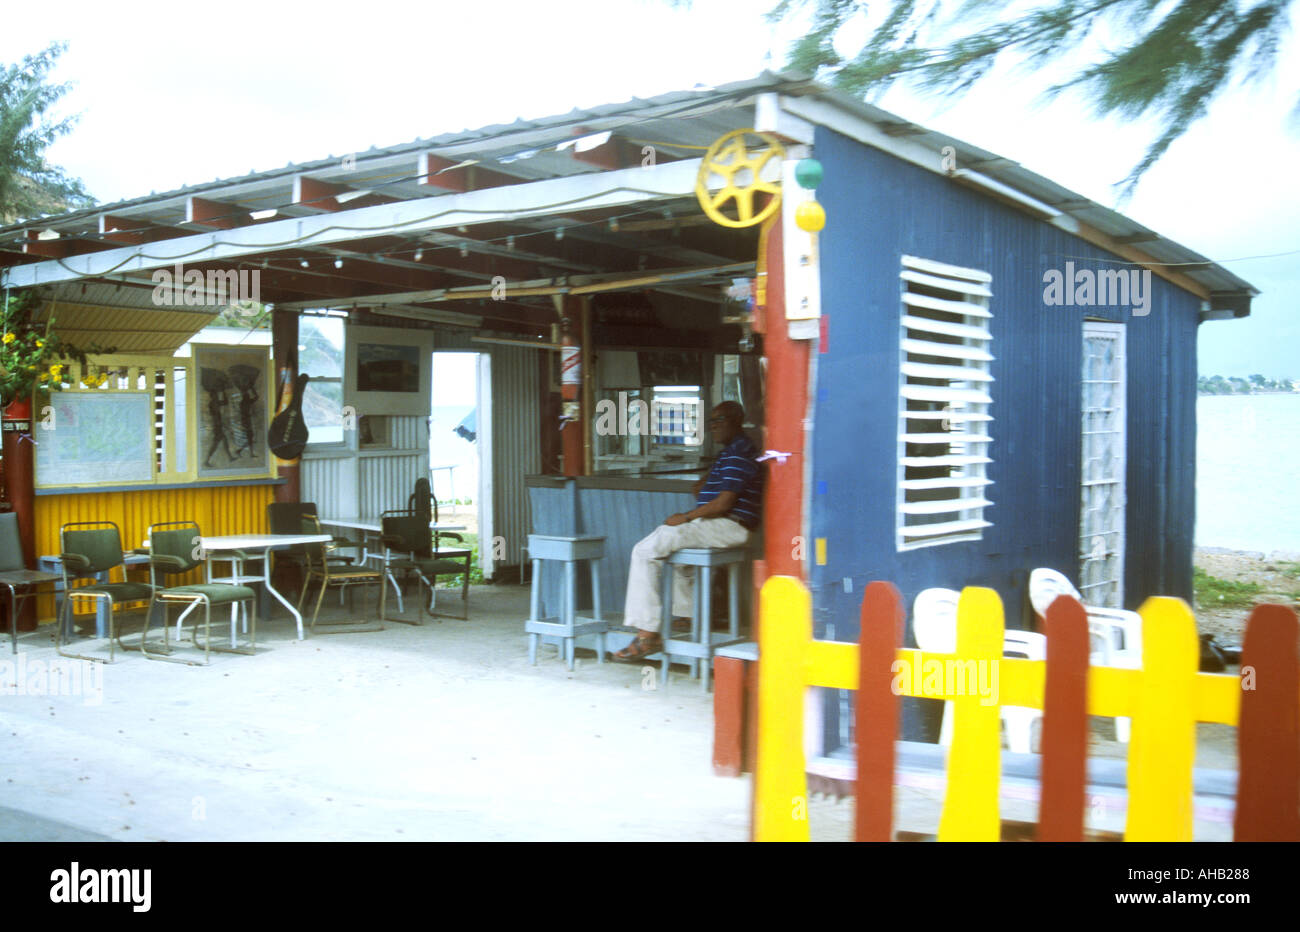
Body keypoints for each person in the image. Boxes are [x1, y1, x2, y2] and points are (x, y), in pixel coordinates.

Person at [613, 400, 762, 661]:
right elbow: (718, 489)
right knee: (679, 556)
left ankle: (647, 634)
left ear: (734, 421)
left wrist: (686, 516)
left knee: (646, 549)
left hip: (731, 525)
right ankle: (689, 616)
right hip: (723, 524)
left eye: (719, 421)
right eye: (711, 422)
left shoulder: (739, 452)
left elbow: (725, 502)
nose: (713, 427)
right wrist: (706, 486)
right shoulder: (732, 451)